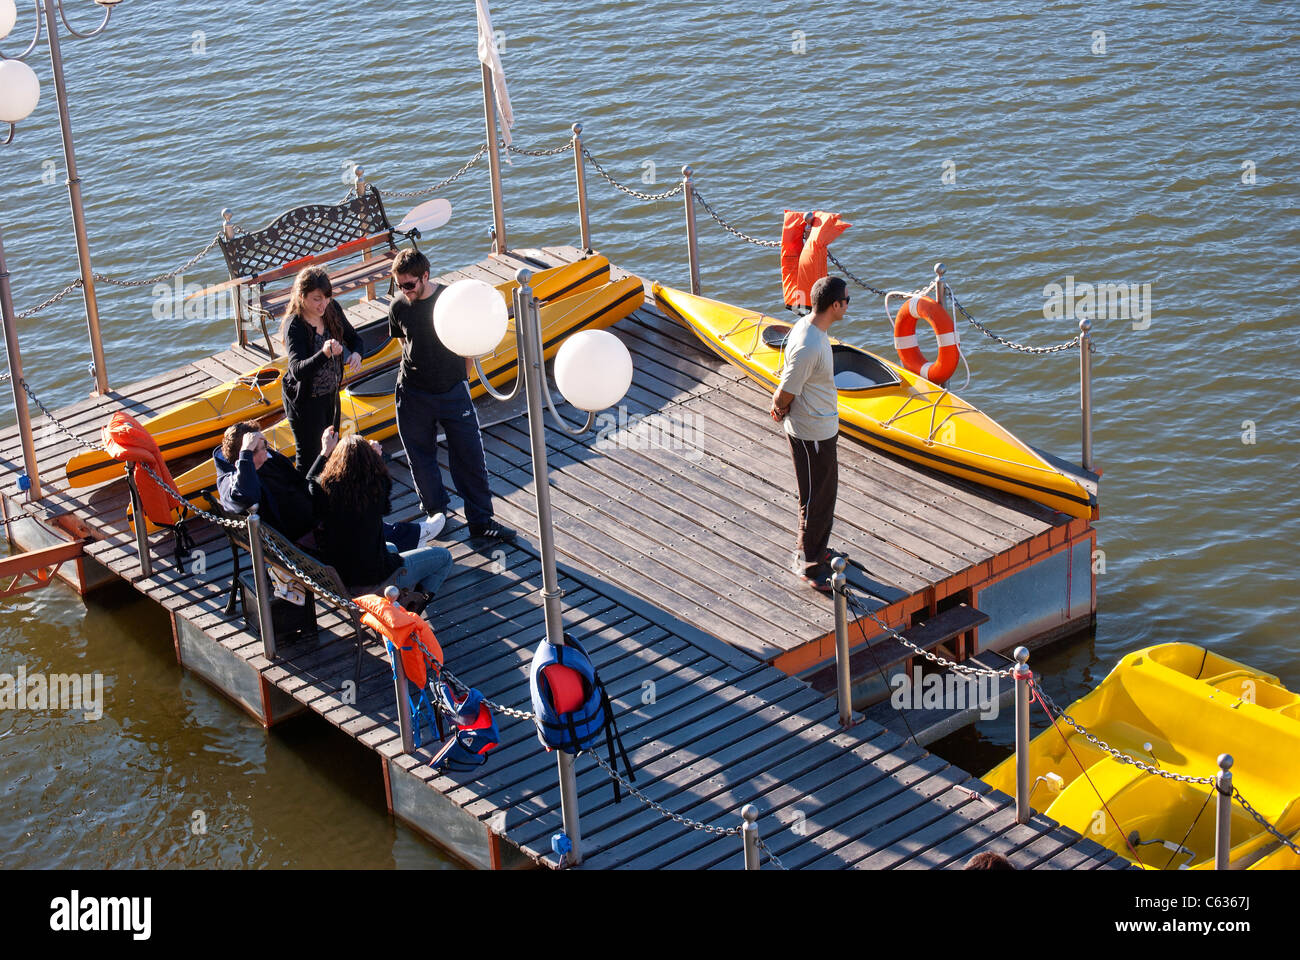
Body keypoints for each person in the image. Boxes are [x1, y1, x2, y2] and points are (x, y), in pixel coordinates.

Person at [387, 248, 514, 544]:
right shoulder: (398, 306)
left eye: (409, 284)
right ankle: (436, 515)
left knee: (469, 456)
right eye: (399, 285)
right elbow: (404, 343)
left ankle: (481, 522)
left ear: (425, 277)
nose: (404, 291)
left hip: (453, 391)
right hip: (413, 392)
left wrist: (461, 379)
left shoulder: (451, 302)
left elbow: (470, 345)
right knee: (420, 457)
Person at [214, 421, 436, 551]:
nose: (268, 449)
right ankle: (413, 535)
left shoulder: (270, 462)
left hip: (314, 515)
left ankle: (408, 535)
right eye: (263, 446)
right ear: (247, 454)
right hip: (306, 539)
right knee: (354, 498)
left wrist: (325, 453)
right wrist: (245, 455)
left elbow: (304, 486)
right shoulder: (233, 481)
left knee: (349, 480)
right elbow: (245, 495)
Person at [770, 275, 848, 594]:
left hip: (821, 428)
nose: (848, 305)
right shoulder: (809, 344)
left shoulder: (810, 329)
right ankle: (808, 561)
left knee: (824, 494)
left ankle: (818, 549)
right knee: (815, 498)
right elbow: (786, 390)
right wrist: (778, 409)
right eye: (846, 300)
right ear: (834, 305)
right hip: (811, 433)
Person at [311, 433, 454, 603]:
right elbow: (383, 490)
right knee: (444, 557)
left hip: (341, 577)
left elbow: (310, 483)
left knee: (392, 547)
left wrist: (324, 453)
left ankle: (405, 595)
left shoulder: (323, 492)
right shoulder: (375, 490)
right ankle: (414, 604)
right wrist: (376, 458)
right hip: (373, 581)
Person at [280, 267, 364, 474]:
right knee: (309, 455)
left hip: (331, 392)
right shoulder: (295, 326)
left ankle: (329, 493)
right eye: (317, 299)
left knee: (333, 446)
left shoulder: (332, 308)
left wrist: (357, 353)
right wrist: (325, 353)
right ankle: (305, 499)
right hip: (305, 400)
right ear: (302, 297)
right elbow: (297, 369)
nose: (323, 304)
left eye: (326, 297)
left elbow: (355, 338)